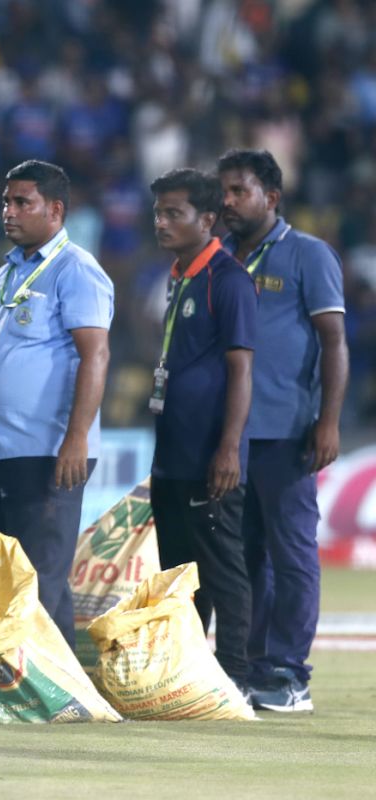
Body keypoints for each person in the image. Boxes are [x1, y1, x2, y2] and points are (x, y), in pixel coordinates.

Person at [0, 160, 113, 647]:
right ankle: (43, 688)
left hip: (50, 448)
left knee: (40, 581)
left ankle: (51, 693)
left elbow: (95, 354)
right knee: (17, 581)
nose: (9, 212)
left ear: (55, 210)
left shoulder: (77, 270)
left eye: (23, 202)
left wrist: (77, 437)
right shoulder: (5, 276)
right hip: (4, 450)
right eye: (6, 201)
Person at [218, 149, 348, 712]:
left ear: (271, 197)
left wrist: (328, 420)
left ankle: (290, 673)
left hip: (287, 430)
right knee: (243, 557)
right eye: (222, 191)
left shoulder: (308, 255)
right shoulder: (218, 258)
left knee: (291, 554)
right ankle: (250, 667)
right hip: (229, 435)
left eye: (238, 191)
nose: (226, 202)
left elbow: (334, 343)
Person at [147, 168, 257, 693]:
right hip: (172, 454)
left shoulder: (228, 279)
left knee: (221, 569)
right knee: (179, 575)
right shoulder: (180, 275)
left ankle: (235, 678)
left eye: (174, 213)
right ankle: (188, 677)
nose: (161, 222)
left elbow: (241, 369)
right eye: (158, 212)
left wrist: (229, 448)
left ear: (207, 219)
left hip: (210, 454)